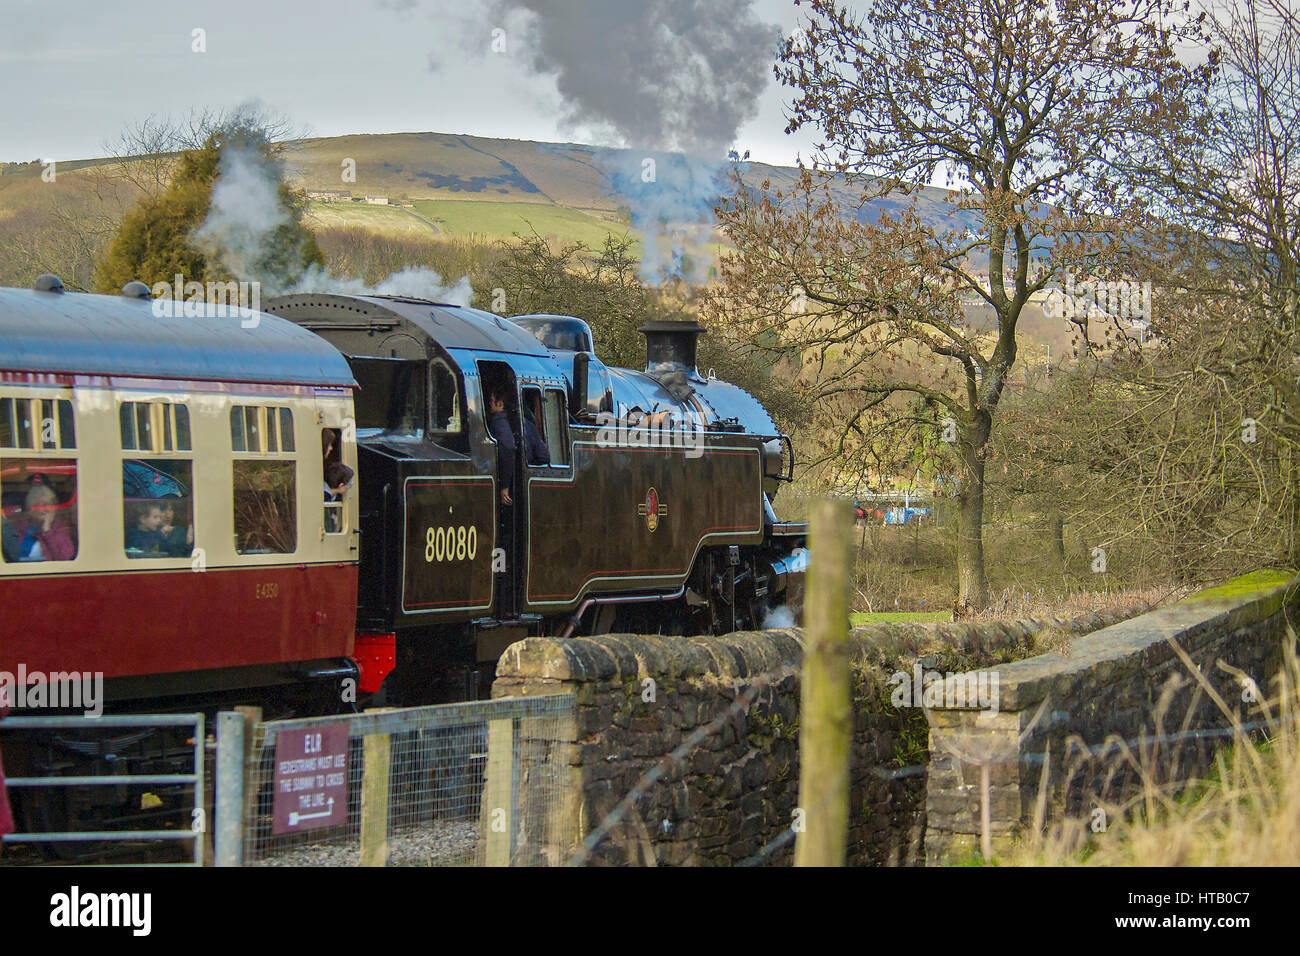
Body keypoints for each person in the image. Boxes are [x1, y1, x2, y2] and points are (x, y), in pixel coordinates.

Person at [16, 483, 76, 562]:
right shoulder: (21, 528)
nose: (42, 509)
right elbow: (18, 557)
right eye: (37, 504)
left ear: (54, 509)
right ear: (29, 509)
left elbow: (65, 556)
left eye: (46, 504)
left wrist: (47, 531)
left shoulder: (61, 528)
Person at [487, 388, 515, 507]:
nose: (489, 403)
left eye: (492, 400)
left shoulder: (499, 424)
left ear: (500, 403)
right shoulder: (501, 421)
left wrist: (504, 486)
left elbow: (508, 449)